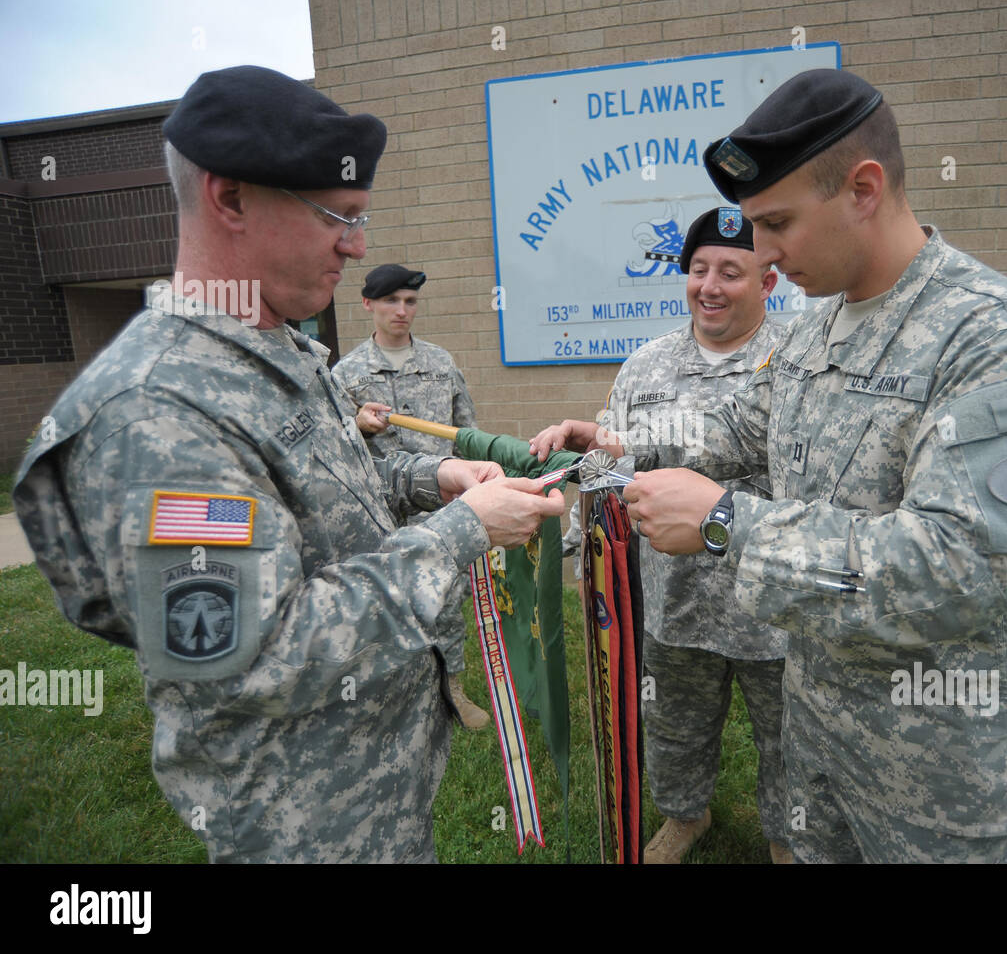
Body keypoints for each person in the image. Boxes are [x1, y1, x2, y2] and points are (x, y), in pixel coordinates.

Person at [532, 69, 1007, 863]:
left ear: (864, 188)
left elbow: (962, 572)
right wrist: (620, 442)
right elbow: (737, 425)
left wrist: (727, 522)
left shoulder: (997, 341)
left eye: (776, 224)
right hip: (816, 756)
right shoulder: (815, 331)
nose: (761, 254)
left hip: (938, 789)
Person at [12, 65, 565, 863]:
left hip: (371, 783)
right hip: (301, 822)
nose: (359, 243)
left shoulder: (278, 349)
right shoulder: (160, 409)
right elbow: (246, 659)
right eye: (335, 215)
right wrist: (458, 534)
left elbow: (316, 496)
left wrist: (429, 480)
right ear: (230, 198)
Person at [580, 208, 792, 863]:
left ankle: (790, 835)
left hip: (773, 605)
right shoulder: (646, 365)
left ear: (769, 280)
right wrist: (576, 527)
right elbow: (609, 461)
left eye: (731, 270)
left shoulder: (800, 360)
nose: (711, 285)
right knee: (674, 726)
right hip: (674, 601)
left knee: (790, 735)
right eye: (699, 268)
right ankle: (685, 815)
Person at [332, 264, 489, 730]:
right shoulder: (346, 374)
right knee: (383, 605)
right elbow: (329, 447)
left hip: (440, 512)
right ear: (368, 305)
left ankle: (452, 689)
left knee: (445, 599)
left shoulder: (441, 363)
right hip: (381, 515)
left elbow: (467, 433)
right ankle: (393, 697)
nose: (402, 311)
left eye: (410, 301)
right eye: (390, 301)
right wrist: (356, 423)